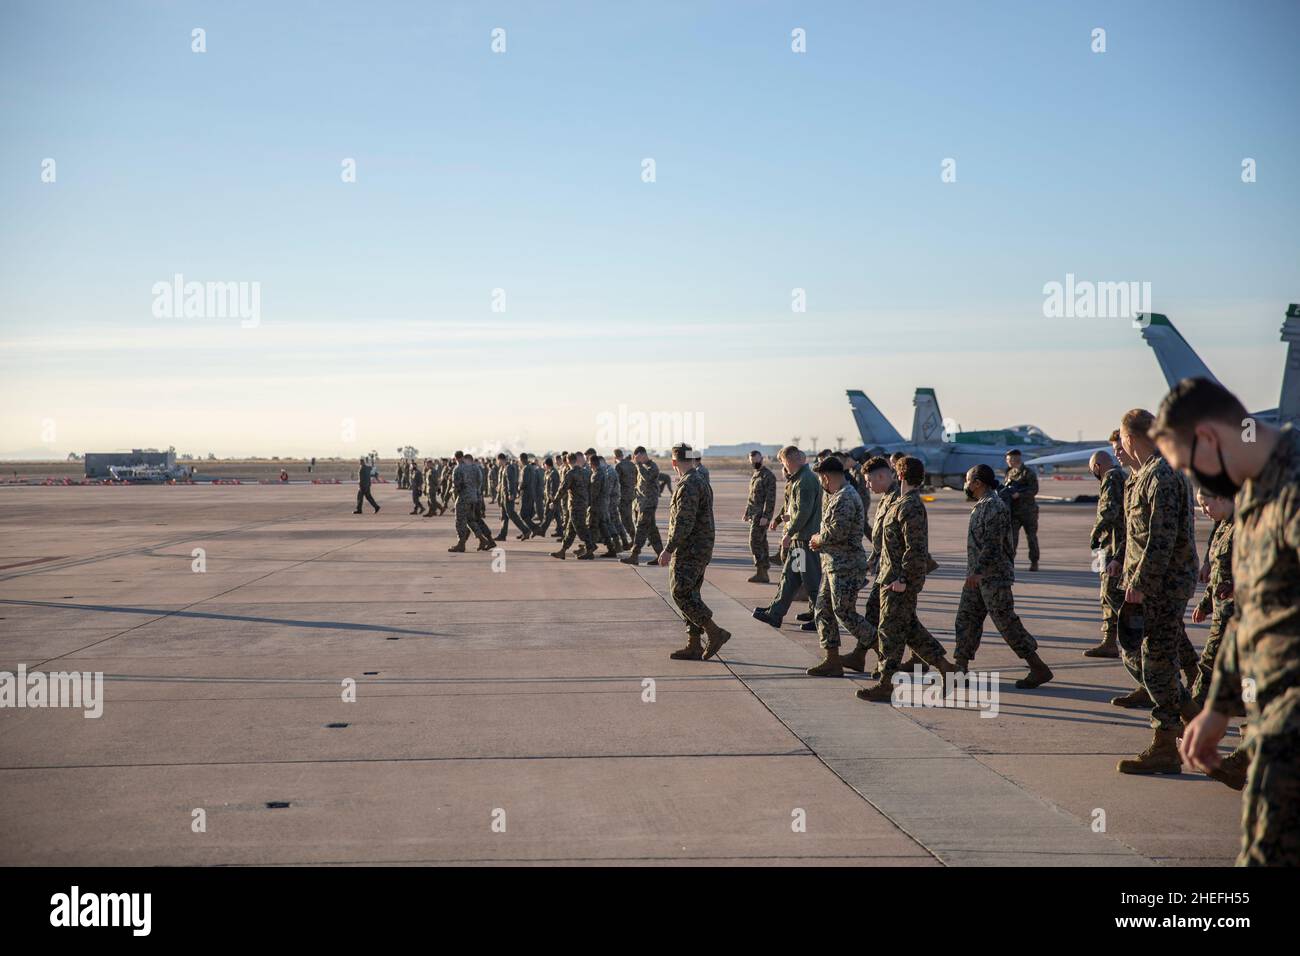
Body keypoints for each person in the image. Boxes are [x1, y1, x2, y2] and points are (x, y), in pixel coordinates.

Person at [1156, 377, 1298, 863]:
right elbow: (1246, 613)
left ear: (1211, 439)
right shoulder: (1257, 495)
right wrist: (1217, 708)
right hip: (1272, 723)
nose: (1194, 482)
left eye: (1189, 467)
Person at [1115, 408, 1200, 775]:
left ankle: (1167, 743)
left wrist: (1141, 585)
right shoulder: (1144, 474)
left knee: (1157, 663)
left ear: (1131, 437)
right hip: (1150, 583)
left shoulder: (1163, 474)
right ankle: (1192, 717)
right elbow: (1137, 535)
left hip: (1164, 585)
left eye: (1122, 437)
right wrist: (1126, 569)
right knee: (1145, 657)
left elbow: (1160, 540)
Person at [858, 456, 955, 702]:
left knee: (890, 632)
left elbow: (916, 549)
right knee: (910, 630)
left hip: (898, 581)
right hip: (889, 577)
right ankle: (947, 668)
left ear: (900, 476)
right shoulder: (900, 503)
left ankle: (886, 684)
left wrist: (904, 579)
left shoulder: (910, 505)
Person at [953, 464, 1053, 688]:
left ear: (978, 483)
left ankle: (1038, 667)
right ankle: (960, 668)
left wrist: (978, 571)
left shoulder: (994, 506)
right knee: (966, 620)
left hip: (993, 577)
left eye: (968, 480)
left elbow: (993, 544)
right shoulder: (981, 505)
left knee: (1007, 623)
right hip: (977, 577)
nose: (966, 484)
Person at [658, 444, 730, 660]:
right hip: (701, 547)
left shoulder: (688, 484)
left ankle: (714, 631)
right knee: (691, 593)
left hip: (690, 549)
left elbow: (684, 522)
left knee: (680, 593)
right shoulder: (700, 480)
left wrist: (669, 549)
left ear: (674, 462)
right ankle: (694, 643)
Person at [805, 456, 870, 677]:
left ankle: (886, 652)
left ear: (825, 477)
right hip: (833, 564)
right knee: (823, 609)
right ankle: (832, 660)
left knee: (844, 612)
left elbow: (837, 532)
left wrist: (818, 539)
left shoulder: (845, 497)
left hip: (847, 566)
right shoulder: (837, 496)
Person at [753, 446, 821, 630]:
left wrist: (789, 534)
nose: (784, 467)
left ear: (790, 460)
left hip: (805, 540)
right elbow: (793, 509)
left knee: (812, 581)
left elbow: (804, 512)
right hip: (800, 539)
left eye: (784, 463)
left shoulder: (805, 481)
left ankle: (821, 619)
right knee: (789, 579)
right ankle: (775, 614)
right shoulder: (799, 479)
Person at [1085, 448, 1126, 659]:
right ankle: (1109, 642)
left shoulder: (1110, 477)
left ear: (1097, 467)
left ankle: (1139, 633)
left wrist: (1095, 533)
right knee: (1107, 594)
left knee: (1111, 592)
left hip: (1116, 544)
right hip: (1115, 544)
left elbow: (1108, 510)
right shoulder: (1123, 475)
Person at [623, 446, 664, 565]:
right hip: (642, 503)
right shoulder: (643, 467)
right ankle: (660, 555)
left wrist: (639, 465)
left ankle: (634, 555)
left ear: (643, 455)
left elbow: (647, 478)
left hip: (649, 504)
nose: (636, 460)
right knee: (652, 531)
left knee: (641, 529)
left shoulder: (652, 466)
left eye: (638, 457)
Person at [552, 451, 596, 560]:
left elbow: (563, 489)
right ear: (576, 460)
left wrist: (555, 501)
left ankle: (590, 549)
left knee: (581, 528)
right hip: (584, 504)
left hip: (575, 505)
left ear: (567, 461)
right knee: (570, 529)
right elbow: (591, 489)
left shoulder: (571, 473)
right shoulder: (586, 472)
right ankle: (563, 551)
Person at [1003, 449, 1040, 571]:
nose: (1007, 461)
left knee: (1031, 537)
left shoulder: (1028, 473)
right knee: (1012, 538)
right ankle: (1009, 562)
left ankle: (1034, 562)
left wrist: (1019, 495)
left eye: (1009, 459)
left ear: (1016, 459)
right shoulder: (1009, 473)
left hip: (1028, 511)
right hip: (1014, 512)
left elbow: (1034, 490)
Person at [743, 450, 777, 584]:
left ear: (762, 459)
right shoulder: (755, 475)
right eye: (752, 461)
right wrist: (747, 512)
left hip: (761, 516)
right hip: (754, 514)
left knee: (754, 542)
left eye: (756, 461)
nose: (754, 463)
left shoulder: (768, 476)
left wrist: (767, 516)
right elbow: (751, 497)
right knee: (761, 542)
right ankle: (762, 573)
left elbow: (770, 499)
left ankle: (761, 570)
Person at [614, 449, 638, 541]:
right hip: (632, 494)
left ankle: (633, 538)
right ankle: (633, 537)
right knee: (628, 517)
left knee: (625, 519)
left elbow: (616, 482)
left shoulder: (618, 466)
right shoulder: (632, 464)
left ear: (615, 456)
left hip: (623, 495)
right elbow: (637, 478)